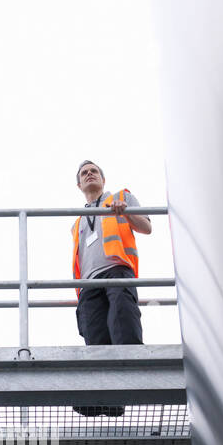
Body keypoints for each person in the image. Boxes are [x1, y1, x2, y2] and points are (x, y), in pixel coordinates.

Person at [71, 159, 153, 416]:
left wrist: (124, 212)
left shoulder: (121, 197)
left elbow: (147, 227)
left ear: (103, 179)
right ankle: (107, 400)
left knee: (122, 322)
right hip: (88, 284)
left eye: (94, 171)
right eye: (84, 173)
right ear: (79, 184)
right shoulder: (78, 222)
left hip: (117, 270)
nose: (89, 174)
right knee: (95, 339)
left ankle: (132, 380)